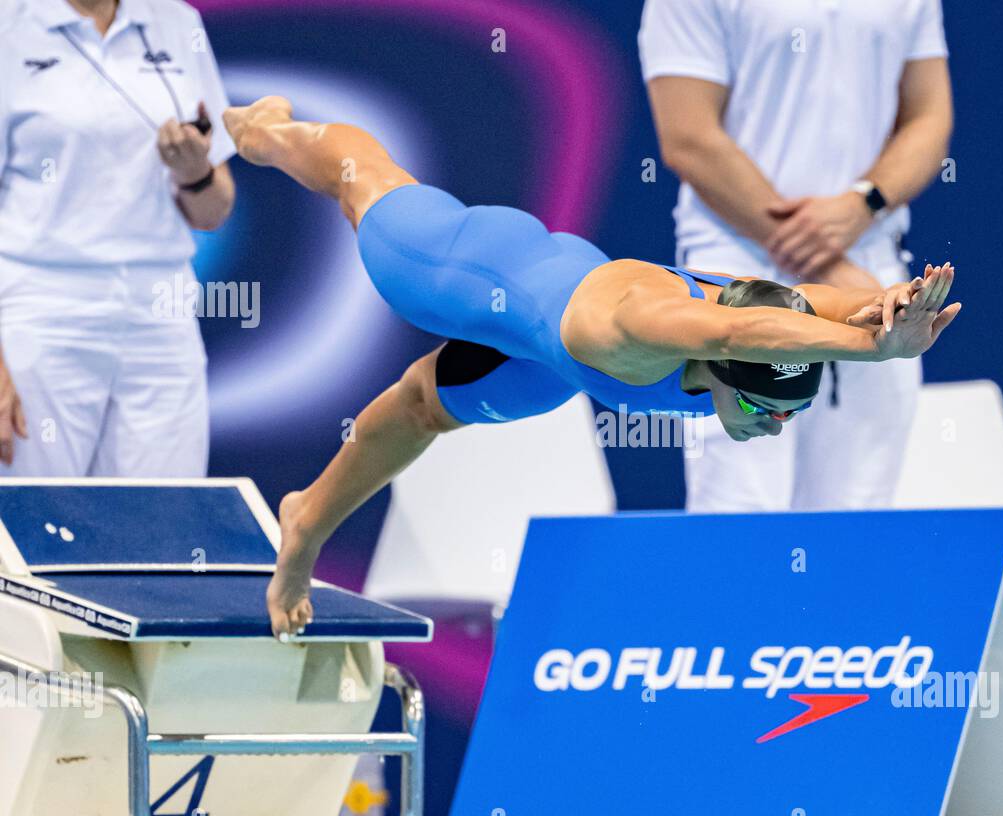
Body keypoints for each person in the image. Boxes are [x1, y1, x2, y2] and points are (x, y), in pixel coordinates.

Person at [219, 96, 960, 636]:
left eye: (790, 412)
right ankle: (273, 131)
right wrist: (868, 350)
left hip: (555, 366)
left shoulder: (757, 333)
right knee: (366, 182)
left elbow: (802, 301)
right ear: (729, 369)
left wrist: (880, 305)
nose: (776, 426)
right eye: (768, 410)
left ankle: (304, 519)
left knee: (421, 409)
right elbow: (739, 330)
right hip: (478, 273)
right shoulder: (660, 323)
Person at [639, 0, 953, 512]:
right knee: (739, 508)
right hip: (735, 274)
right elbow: (690, 137)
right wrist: (824, 259)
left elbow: (929, 116)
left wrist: (864, 201)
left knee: (859, 508)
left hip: (867, 257)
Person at [0, 0, 237, 476]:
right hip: (40, 311)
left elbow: (214, 211)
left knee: (161, 524)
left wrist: (193, 172)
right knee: (28, 522)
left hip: (161, 317)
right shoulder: (10, 24)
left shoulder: (177, 22)